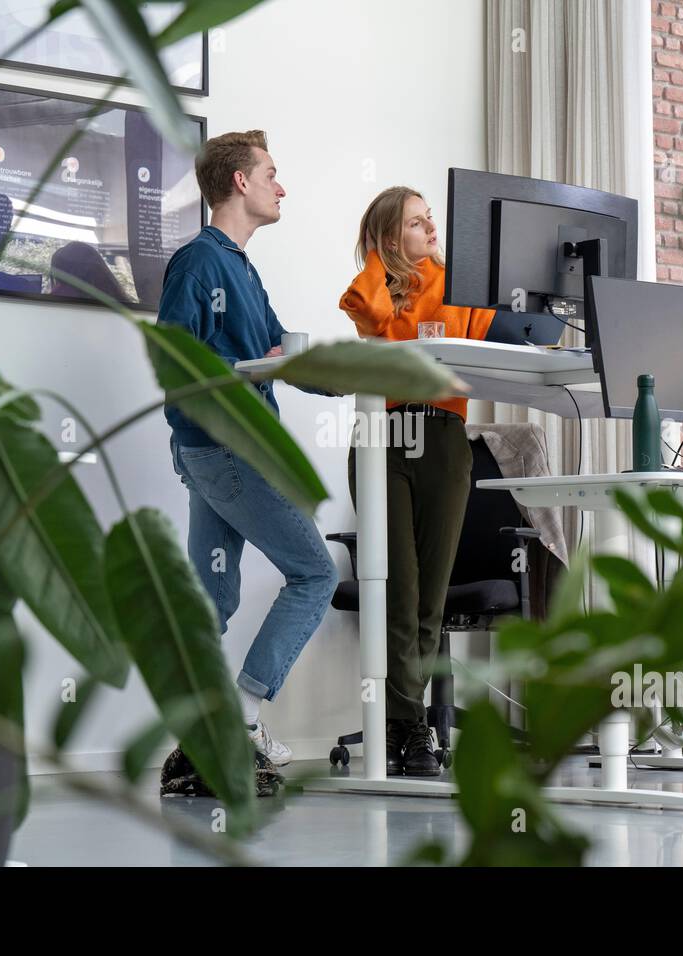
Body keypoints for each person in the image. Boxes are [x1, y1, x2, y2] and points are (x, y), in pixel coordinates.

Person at [158, 130, 337, 767]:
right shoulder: (200, 262)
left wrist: (338, 373)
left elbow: (272, 355)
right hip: (225, 450)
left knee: (213, 598)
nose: (280, 186)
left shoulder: (240, 266)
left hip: (215, 452)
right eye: (272, 174)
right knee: (316, 573)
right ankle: (244, 713)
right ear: (241, 181)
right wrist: (247, 372)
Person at [339, 186, 495, 775]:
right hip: (383, 439)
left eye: (431, 219)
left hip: (445, 441)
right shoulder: (377, 290)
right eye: (415, 223)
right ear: (387, 239)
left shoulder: (459, 286)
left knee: (430, 600)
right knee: (398, 595)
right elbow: (371, 312)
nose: (432, 229)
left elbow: (499, 334)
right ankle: (407, 729)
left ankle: (409, 728)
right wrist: (383, 256)